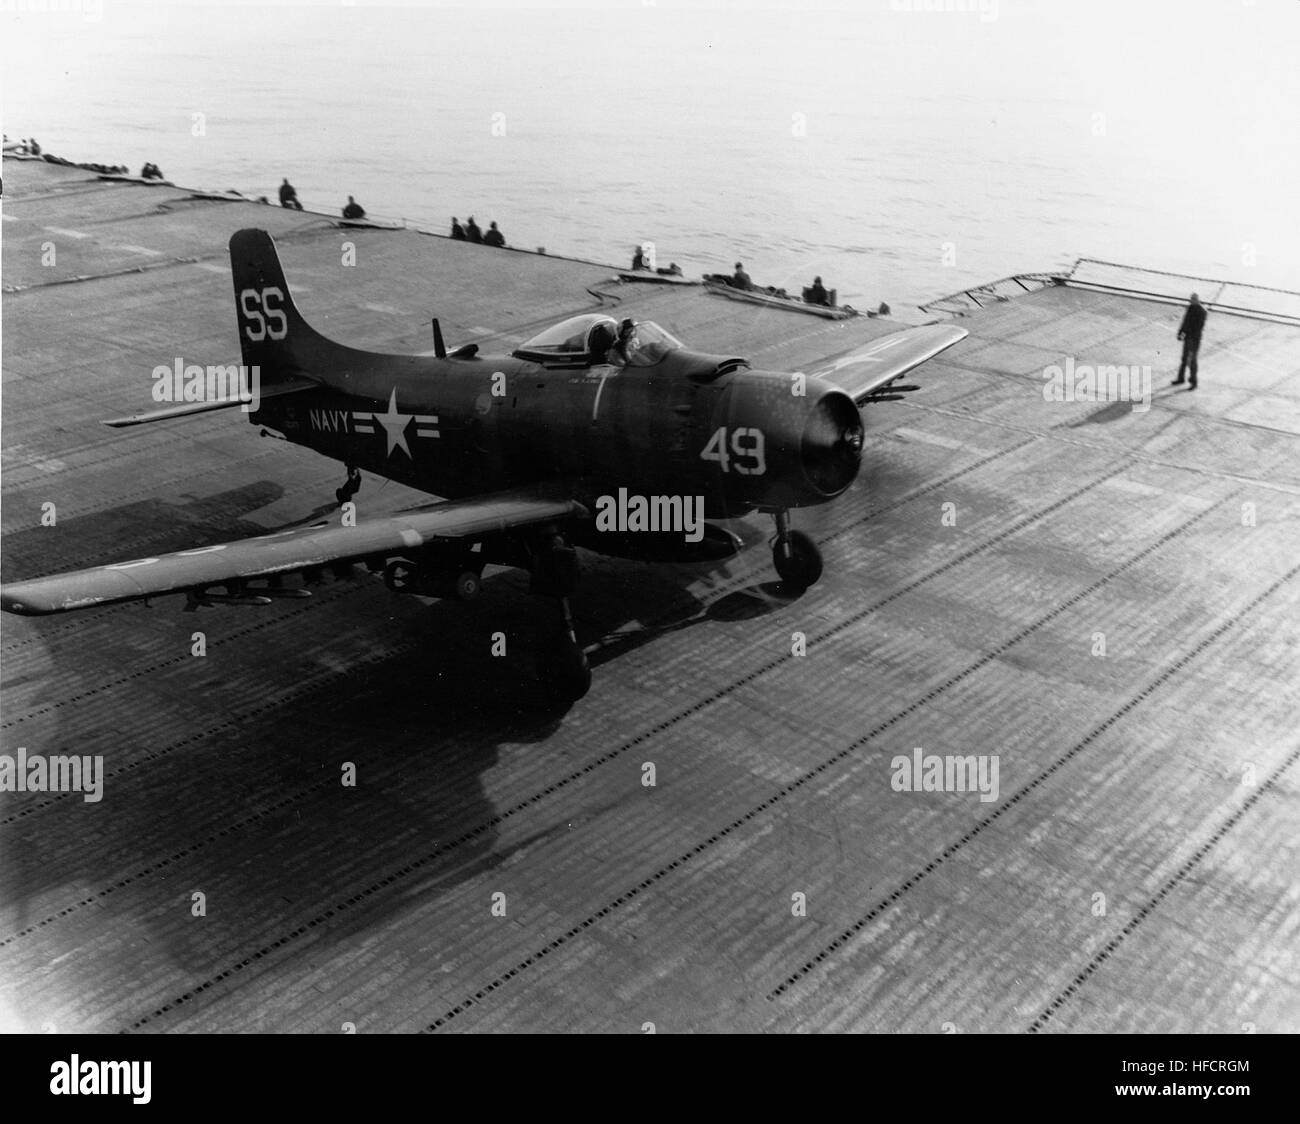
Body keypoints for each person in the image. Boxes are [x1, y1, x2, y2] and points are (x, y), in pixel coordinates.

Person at [1172, 292, 1207, 390]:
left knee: (1192, 361)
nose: (1191, 301)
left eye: (1193, 299)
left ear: (1197, 300)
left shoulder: (1202, 311)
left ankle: (1193, 382)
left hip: (1194, 340)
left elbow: (1198, 327)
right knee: (1184, 359)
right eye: (1191, 299)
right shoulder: (1191, 308)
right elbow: (1185, 321)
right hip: (1188, 338)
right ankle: (1181, 378)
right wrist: (1181, 332)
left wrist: (1187, 334)